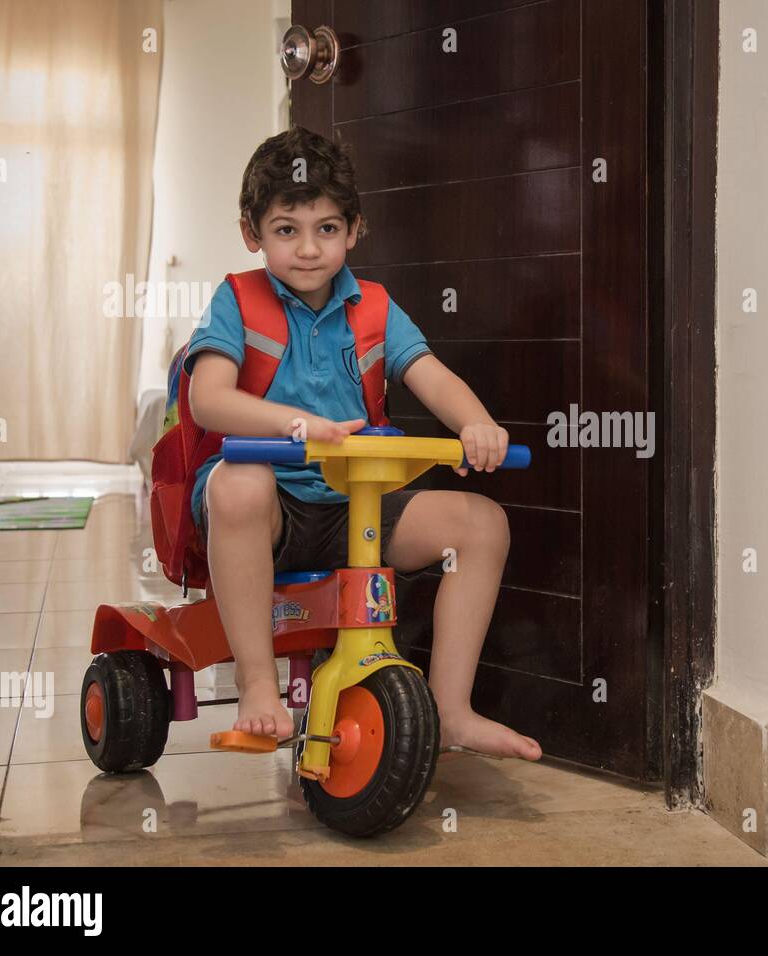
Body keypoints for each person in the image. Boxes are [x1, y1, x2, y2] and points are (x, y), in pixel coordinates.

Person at [185, 126, 541, 761]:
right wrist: (295, 424)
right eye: (285, 229)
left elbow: (429, 373)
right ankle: (259, 684)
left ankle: (451, 711)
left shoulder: (373, 306)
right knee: (238, 484)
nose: (308, 249)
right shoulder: (236, 301)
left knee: (482, 524)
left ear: (353, 231)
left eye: (326, 228)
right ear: (252, 234)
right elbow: (207, 399)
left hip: (359, 506)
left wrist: (476, 424)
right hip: (273, 506)